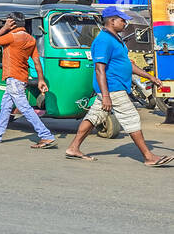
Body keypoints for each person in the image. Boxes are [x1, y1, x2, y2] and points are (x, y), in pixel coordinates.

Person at [66, 8, 170, 165]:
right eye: (122, 20)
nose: (125, 23)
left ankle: (74, 148)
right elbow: (99, 69)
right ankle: (148, 157)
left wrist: (149, 77)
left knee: (94, 117)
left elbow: (127, 64)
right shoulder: (103, 40)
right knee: (131, 118)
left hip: (113, 87)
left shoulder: (116, 39)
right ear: (111, 21)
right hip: (112, 88)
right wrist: (106, 95)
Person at [0, 13, 55, 148]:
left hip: (14, 78)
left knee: (25, 108)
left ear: (11, 23)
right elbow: (37, 61)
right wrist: (41, 79)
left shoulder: (12, 37)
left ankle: (46, 135)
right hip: (21, 77)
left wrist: (4, 28)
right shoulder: (30, 39)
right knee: (5, 106)